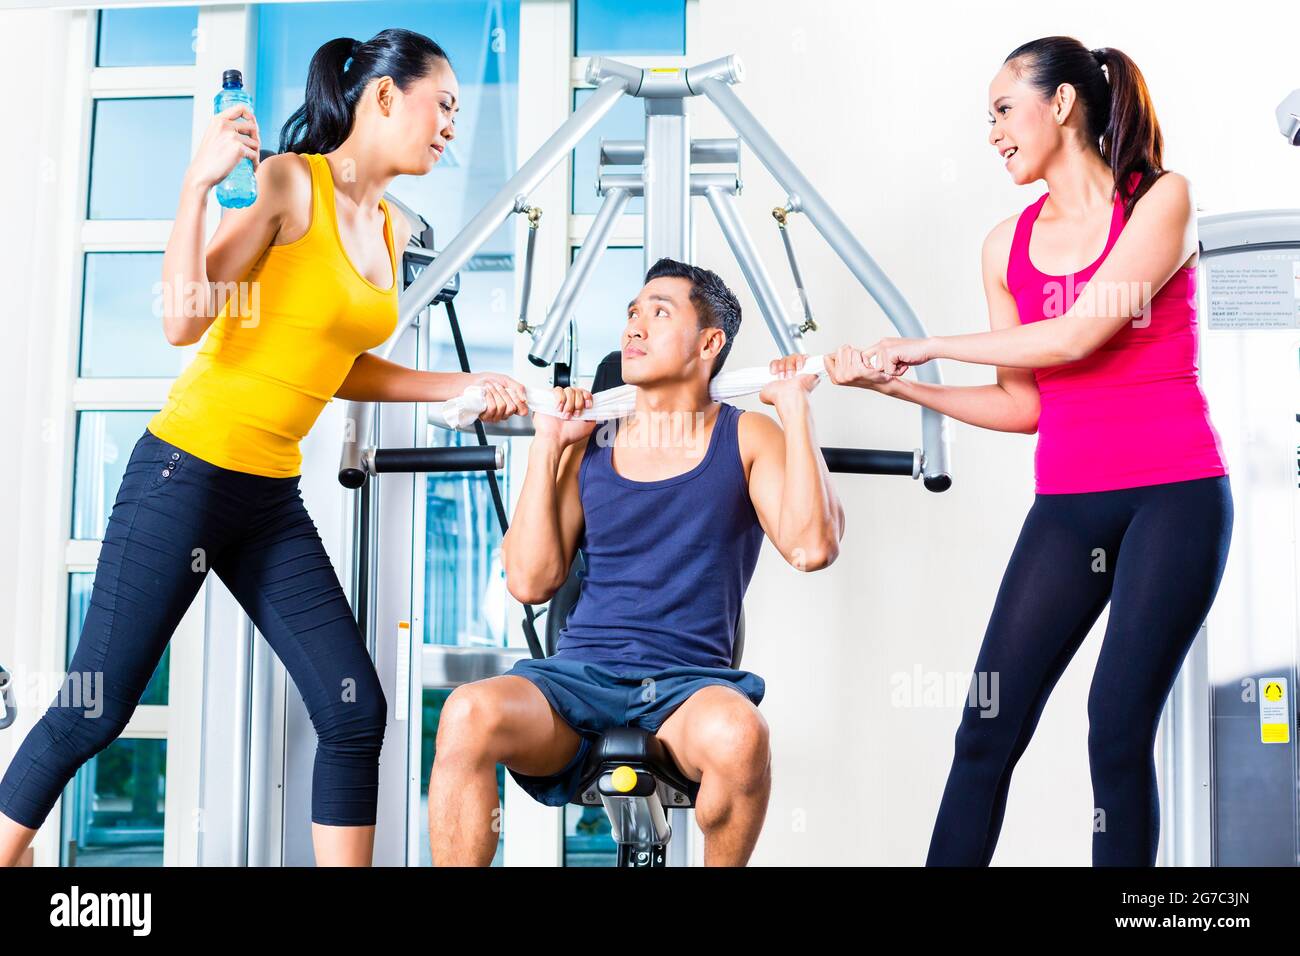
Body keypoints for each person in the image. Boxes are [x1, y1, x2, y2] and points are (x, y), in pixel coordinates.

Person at [0, 28, 529, 868]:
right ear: (386, 97)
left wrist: (459, 388)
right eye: (446, 106)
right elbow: (183, 317)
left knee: (355, 710)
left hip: (267, 498)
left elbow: (337, 360)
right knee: (93, 711)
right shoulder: (292, 183)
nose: (453, 127)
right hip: (185, 470)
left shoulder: (388, 227)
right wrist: (197, 184)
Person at [776, 36, 1232, 866]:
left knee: (1116, 727)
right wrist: (902, 389)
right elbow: (1024, 403)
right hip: (1068, 504)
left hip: (1177, 495)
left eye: (1001, 111)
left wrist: (926, 344)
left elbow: (1082, 332)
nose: (991, 134)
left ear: (1059, 105)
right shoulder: (1004, 247)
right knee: (984, 730)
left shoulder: (1162, 201)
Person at [427, 258, 846, 866]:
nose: (634, 327)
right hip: (576, 683)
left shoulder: (748, 436)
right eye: (631, 313)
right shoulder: (590, 443)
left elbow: (812, 547)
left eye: (658, 312)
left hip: (686, 689)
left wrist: (795, 411)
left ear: (709, 343)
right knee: (466, 713)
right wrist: (548, 444)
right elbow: (528, 580)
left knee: (741, 735)